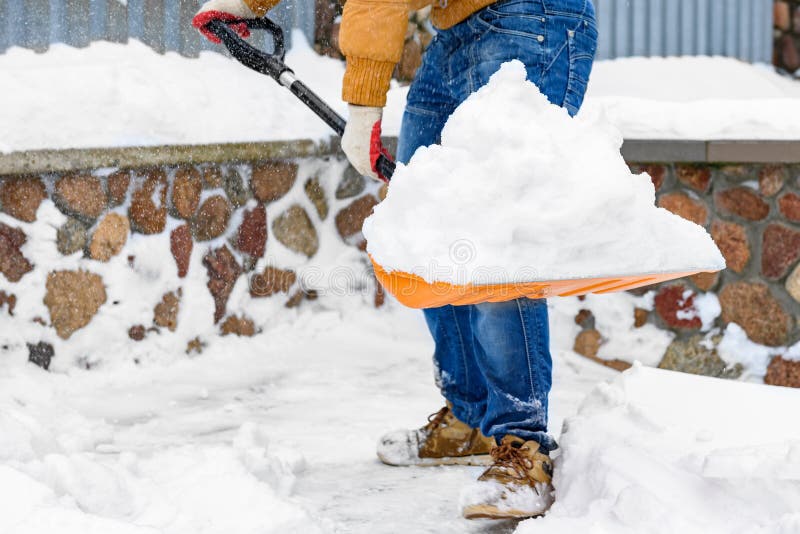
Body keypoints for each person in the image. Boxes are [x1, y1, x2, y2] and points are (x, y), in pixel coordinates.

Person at [194, 0, 597, 519]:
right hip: (458, 27)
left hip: (531, 21)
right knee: (427, 223)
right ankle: (473, 415)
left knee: (493, 228)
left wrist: (363, 106)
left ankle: (524, 446)